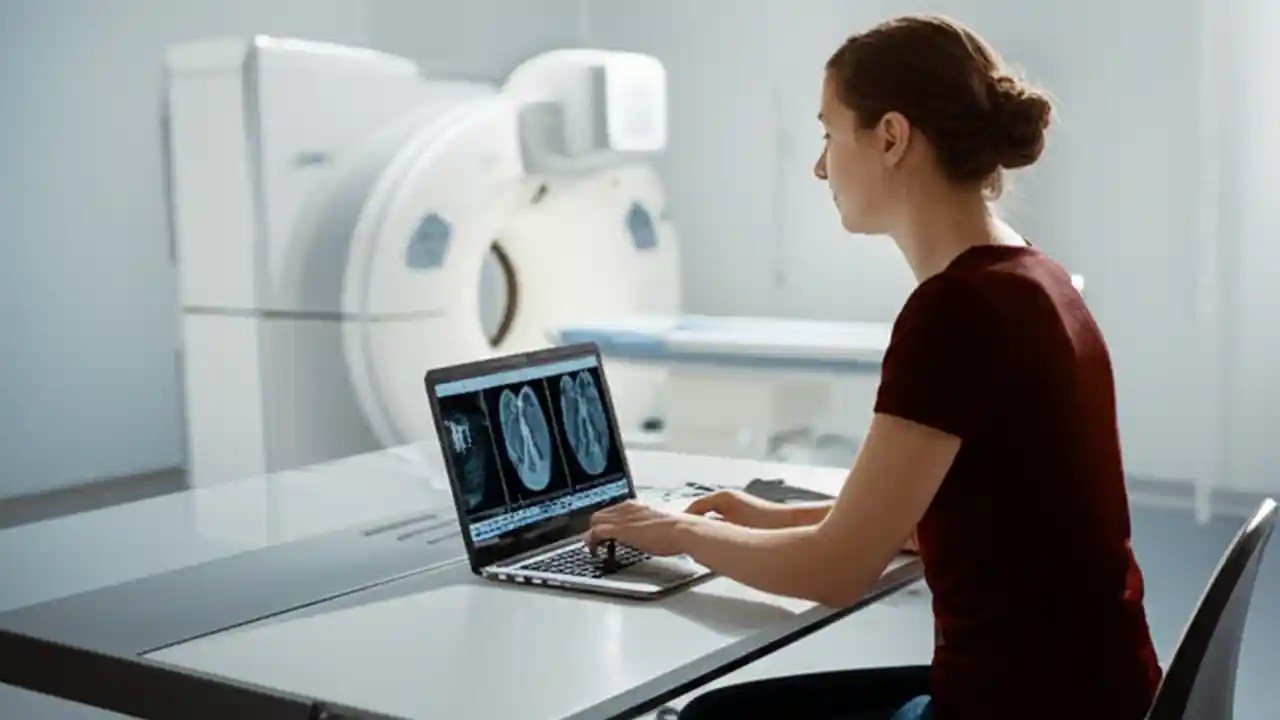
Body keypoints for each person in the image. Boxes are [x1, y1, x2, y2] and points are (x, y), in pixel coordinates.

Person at [585, 14, 1163, 720]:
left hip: (1017, 707)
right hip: (1098, 695)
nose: (820, 165)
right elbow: (941, 519)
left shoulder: (956, 313)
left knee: (707, 718)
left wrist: (677, 533)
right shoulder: (1034, 279)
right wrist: (766, 517)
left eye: (828, 132)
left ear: (890, 137)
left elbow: (836, 569)